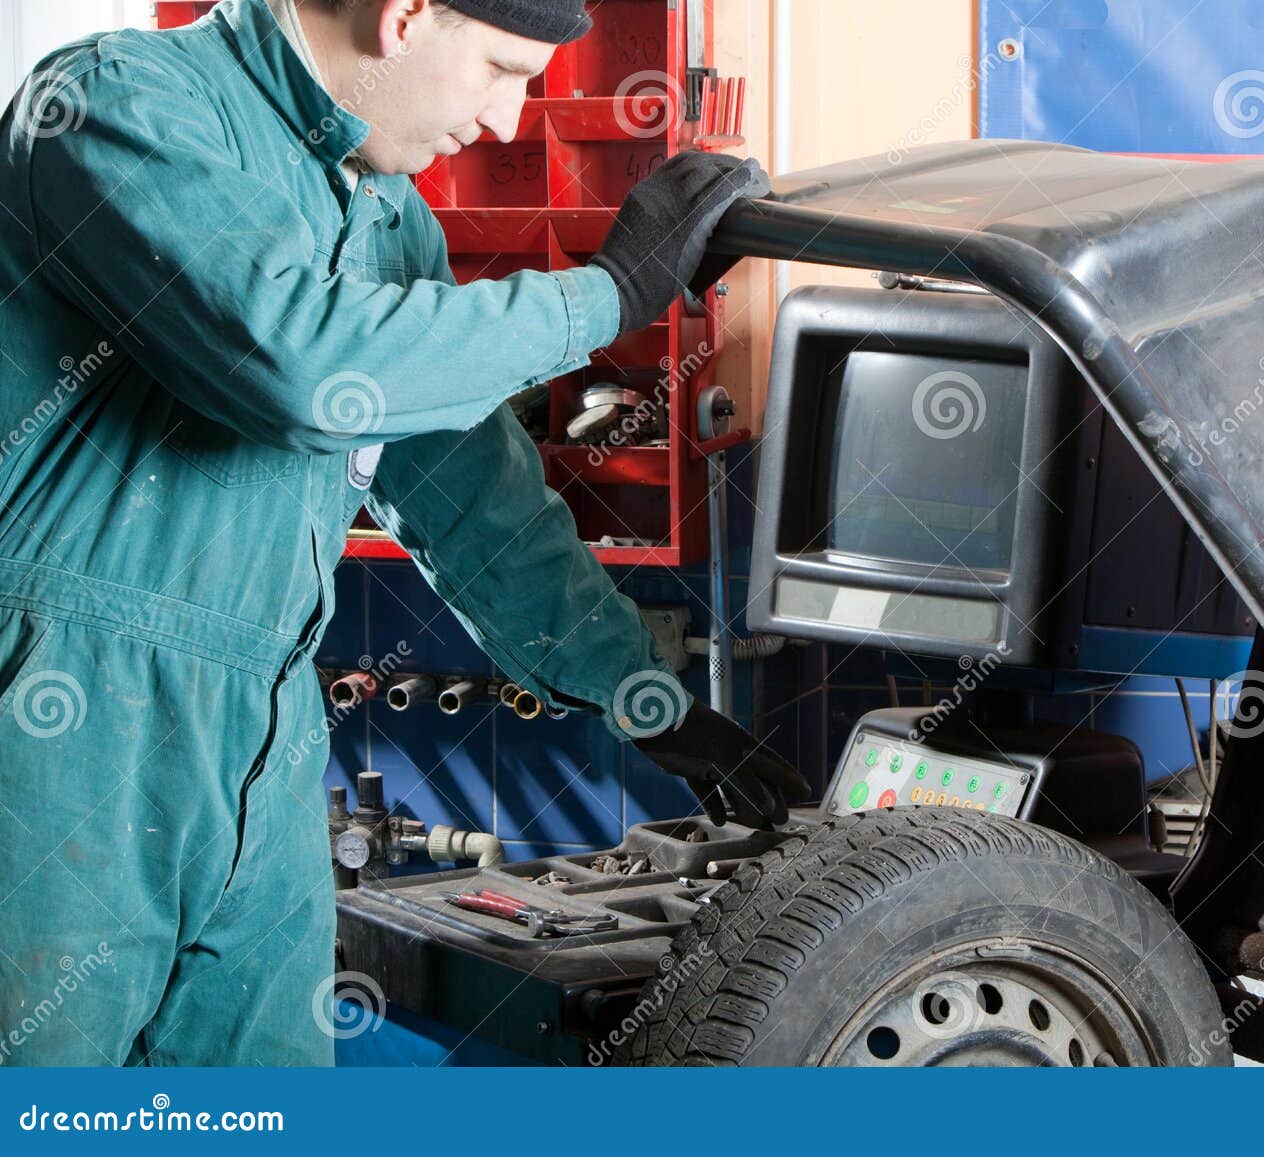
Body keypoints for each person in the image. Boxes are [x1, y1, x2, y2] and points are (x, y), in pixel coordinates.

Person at [0, 0, 806, 1066]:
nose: (512, 119)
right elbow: (294, 365)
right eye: (501, 67)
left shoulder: (386, 216)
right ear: (405, 15)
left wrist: (637, 695)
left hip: (265, 738)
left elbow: (472, 497)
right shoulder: (119, 106)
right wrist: (605, 298)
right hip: (60, 725)